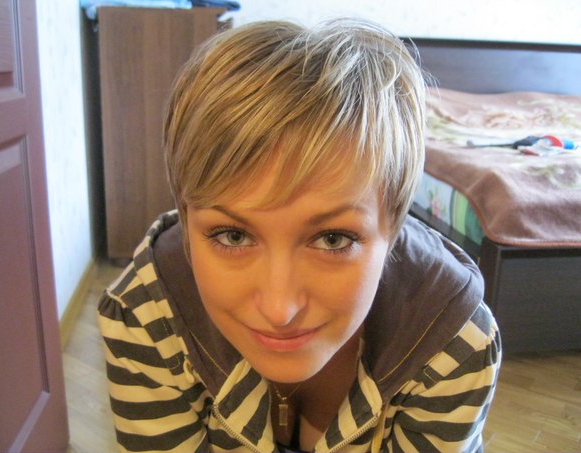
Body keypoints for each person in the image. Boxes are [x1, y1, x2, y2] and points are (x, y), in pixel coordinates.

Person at [98, 18, 501, 453]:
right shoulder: (146, 315)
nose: (280, 310)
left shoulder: (450, 341)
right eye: (233, 236)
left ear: (394, 229)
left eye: (333, 239)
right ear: (186, 216)